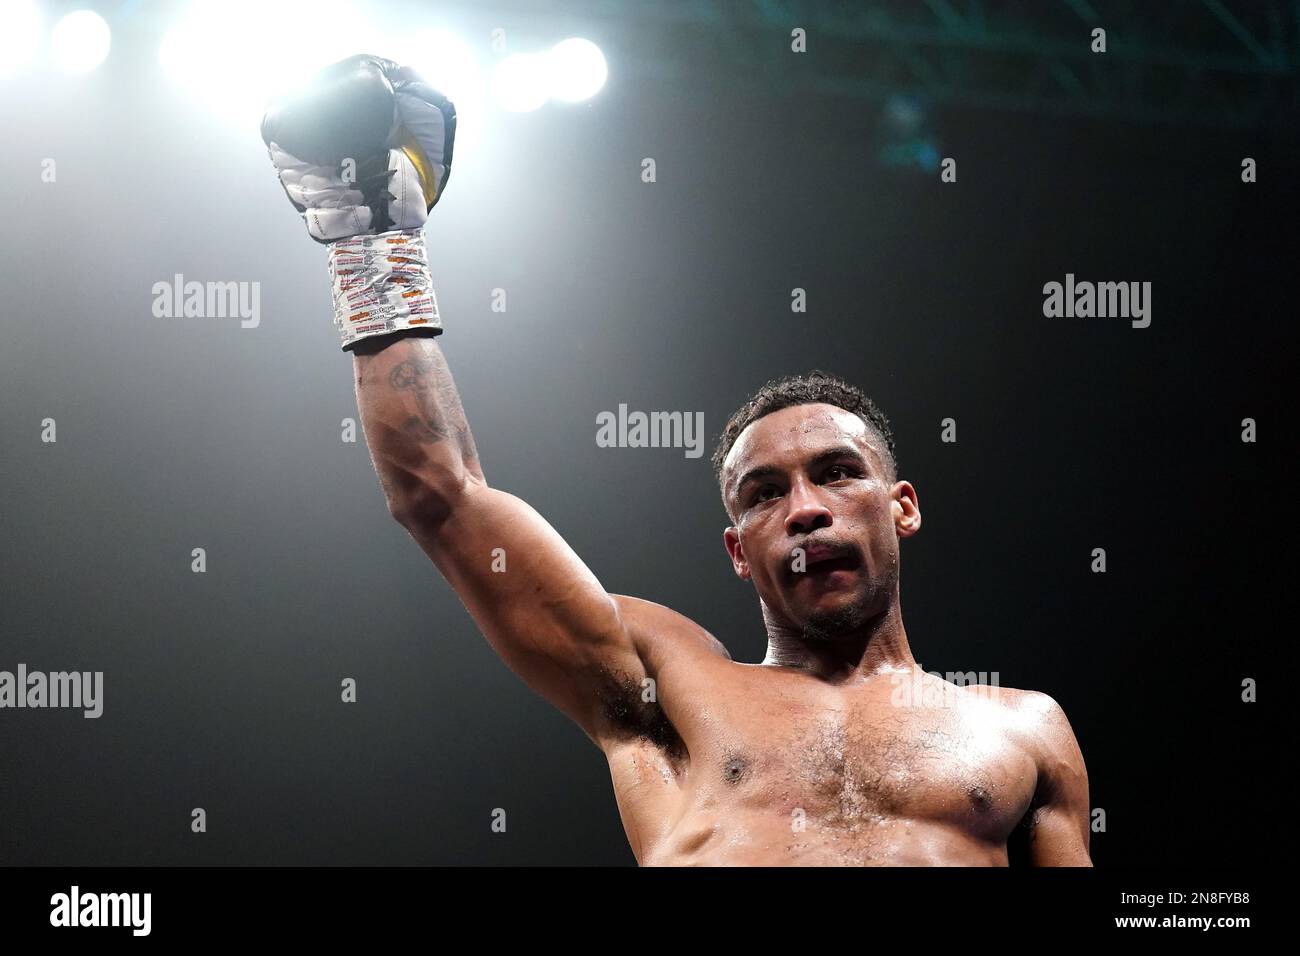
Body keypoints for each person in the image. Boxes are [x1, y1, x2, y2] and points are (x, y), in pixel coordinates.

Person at [261, 55, 1092, 866]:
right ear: (737, 550)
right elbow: (441, 498)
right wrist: (374, 248)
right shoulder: (669, 687)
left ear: (902, 505)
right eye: (763, 494)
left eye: (837, 473)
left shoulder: (1022, 729)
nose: (804, 507)